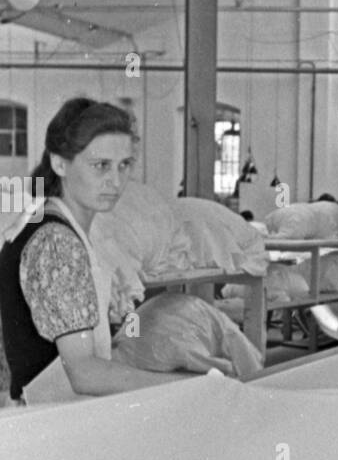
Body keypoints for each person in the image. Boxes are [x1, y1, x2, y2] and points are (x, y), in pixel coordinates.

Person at [0, 97, 197, 403]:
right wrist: (182, 388)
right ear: (59, 163)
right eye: (101, 165)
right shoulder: (56, 242)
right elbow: (84, 374)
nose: (116, 181)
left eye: (124, 165)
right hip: (53, 422)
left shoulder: (49, 221)